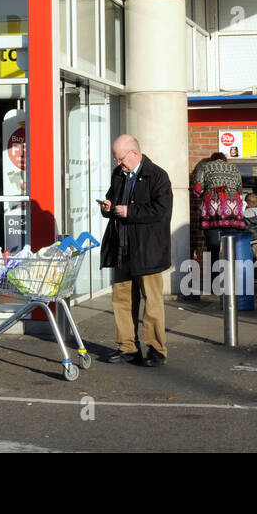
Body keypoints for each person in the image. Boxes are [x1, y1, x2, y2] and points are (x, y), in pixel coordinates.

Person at [97, 134, 172, 368]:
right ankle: (127, 347)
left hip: (147, 249)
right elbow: (114, 200)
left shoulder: (157, 176)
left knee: (152, 301)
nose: (118, 164)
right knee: (122, 299)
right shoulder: (119, 174)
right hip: (122, 247)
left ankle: (156, 349)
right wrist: (108, 207)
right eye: (116, 160)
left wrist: (130, 212)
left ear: (134, 153)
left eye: (120, 159)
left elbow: (161, 211)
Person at [194, 151, 247, 268]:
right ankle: (232, 279)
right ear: (224, 159)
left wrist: (207, 193)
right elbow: (240, 190)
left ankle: (213, 282)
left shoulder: (205, 167)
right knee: (233, 248)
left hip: (212, 211)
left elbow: (197, 189)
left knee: (213, 247)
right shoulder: (234, 168)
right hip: (232, 210)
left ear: (212, 160)